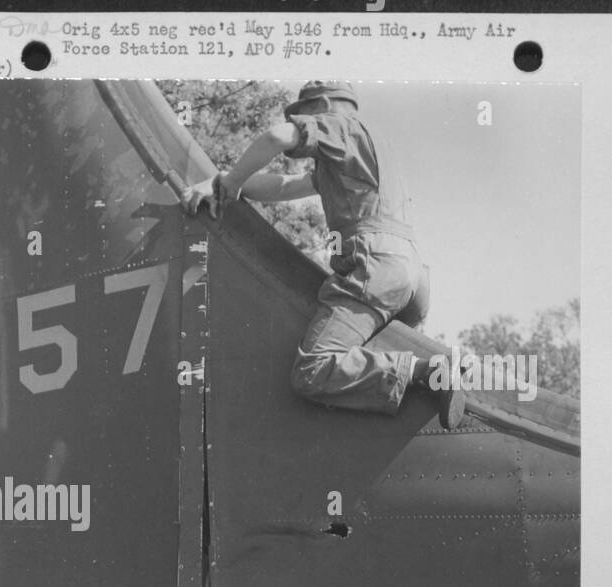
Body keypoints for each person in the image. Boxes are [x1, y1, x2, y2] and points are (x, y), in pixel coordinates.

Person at [182, 81, 465, 430]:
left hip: (375, 266)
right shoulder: (369, 149)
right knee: (374, 348)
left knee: (312, 368)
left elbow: (276, 138)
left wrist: (233, 180)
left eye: (303, 114)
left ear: (327, 104)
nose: (300, 121)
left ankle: (427, 371)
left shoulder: (340, 125)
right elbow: (289, 186)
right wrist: (223, 182)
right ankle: (437, 370)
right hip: (413, 278)